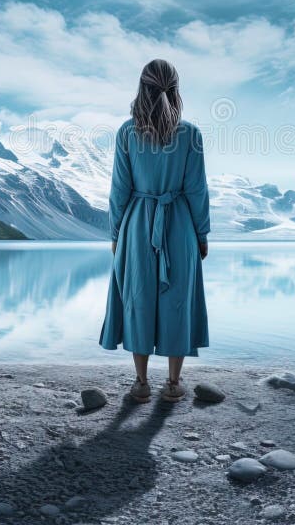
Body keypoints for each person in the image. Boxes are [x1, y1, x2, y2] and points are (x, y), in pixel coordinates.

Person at [99, 59, 210, 403]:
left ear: (141, 88)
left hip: (136, 227)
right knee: (178, 300)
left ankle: (141, 383)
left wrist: (117, 234)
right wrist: (202, 234)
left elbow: (119, 190)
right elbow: (196, 190)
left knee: (138, 300)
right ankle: (174, 384)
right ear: (176, 90)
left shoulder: (127, 132)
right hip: (179, 225)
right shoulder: (190, 134)